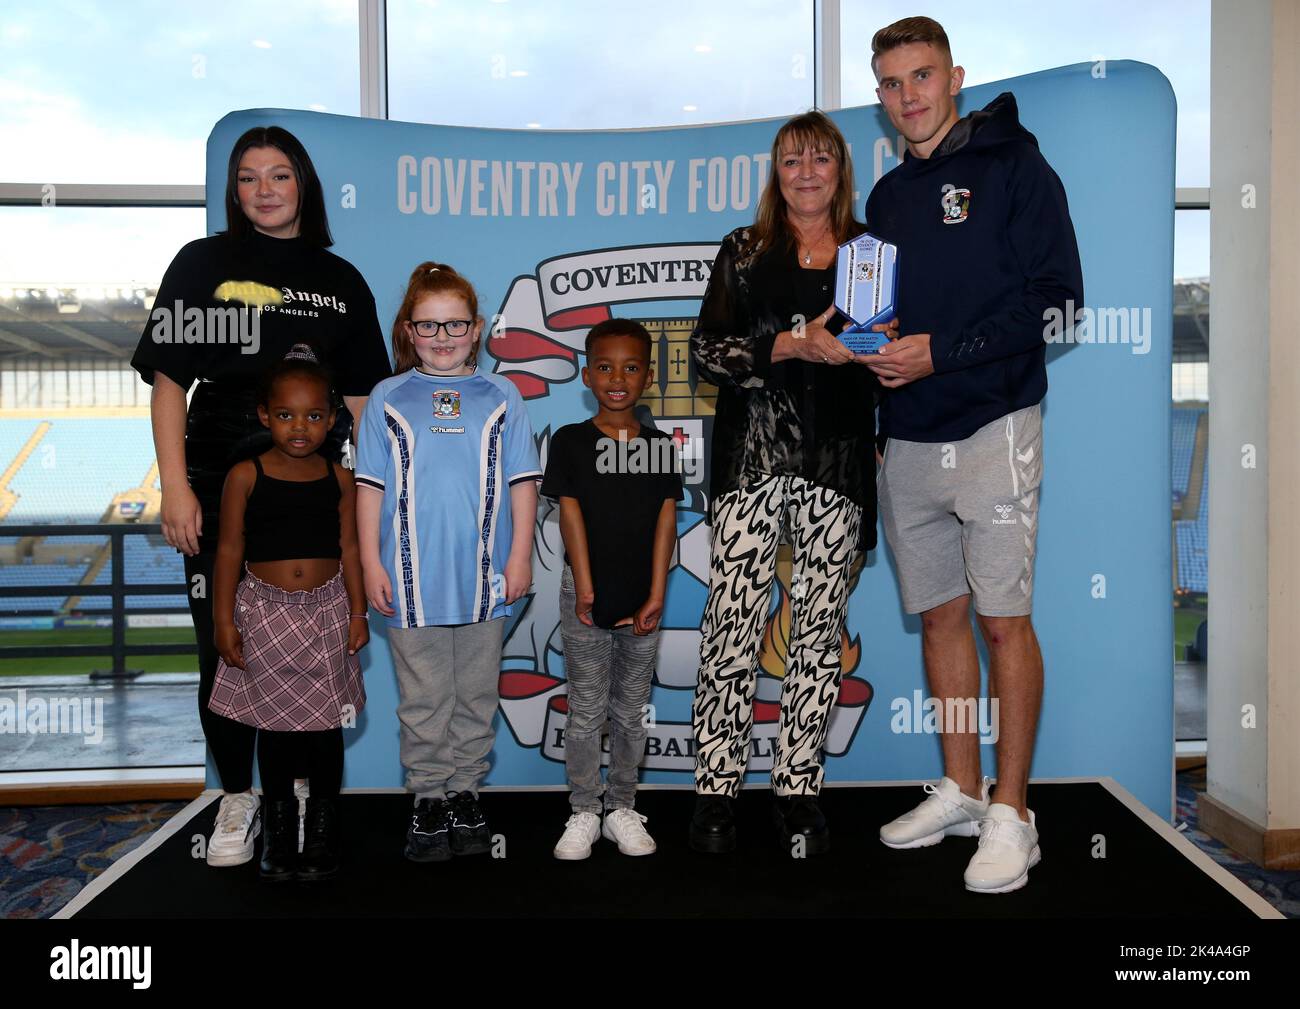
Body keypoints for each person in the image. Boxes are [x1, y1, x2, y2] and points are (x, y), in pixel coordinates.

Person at [130, 126, 392, 868]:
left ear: (302, 184)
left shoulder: (339, 278)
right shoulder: (201, 263)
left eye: (279, 175)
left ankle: (296, 793)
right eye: (248, 177)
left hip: (313, 479)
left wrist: (365, 498)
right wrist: (176, 485)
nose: (265, 190)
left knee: (311, 640)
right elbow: (169, 382)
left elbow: (363, 398)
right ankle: (237, 796)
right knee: (226, 642)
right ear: (234, 190)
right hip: (216, 466)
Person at [863, 16, 1083, 893]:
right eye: (890, 84)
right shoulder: (884, 198)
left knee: (1002, 620)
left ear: (955, 77)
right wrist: (865, 356)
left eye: (921, 77)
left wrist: (941, 351)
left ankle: (1013, 811)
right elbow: (878, 320)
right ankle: (959, 785)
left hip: (995, 425)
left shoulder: (1017, 169)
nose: (908, 96)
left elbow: (1060, 301)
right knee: (944, 617)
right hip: (907, 435)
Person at [689, 111, 880, 856]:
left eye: (820, 159)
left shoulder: (870, 251)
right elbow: (707, 351)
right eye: (791, 160)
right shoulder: (743, 250)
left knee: (817, 637)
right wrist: (788, 344)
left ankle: (798, 788)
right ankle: (715, 793)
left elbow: (880, 352)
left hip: (837, 464)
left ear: (840, 169)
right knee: (731, 627)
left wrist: (876, 356)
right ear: (776, 172)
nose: (805, 173)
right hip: (751, 461)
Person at [354, 262, 541, 863]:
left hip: (484, 581)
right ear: (408, 330)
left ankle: (465, 791)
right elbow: (369, 488)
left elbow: (521, 484)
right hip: (410, 583)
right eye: (428, 325)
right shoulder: (388, 397)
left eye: (454, 324)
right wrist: (370, 564)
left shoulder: (501, 395)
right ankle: (428, 797)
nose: (442, 336)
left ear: (478, 327)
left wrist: (519, 558)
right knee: (424, 697)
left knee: (476, 694)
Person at [208, 346, 367, 881]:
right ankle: (279, 830)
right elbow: (228, 550)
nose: (300, 427)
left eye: (315, 416)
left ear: (331, 419)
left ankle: (322, 828)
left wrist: (359, 613)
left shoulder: (339, 479)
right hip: (263, 616)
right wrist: (223, 621)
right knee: (273, 733)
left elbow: (349, 549)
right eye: (285, 415)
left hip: (327, 614)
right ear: (263, 415)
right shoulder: (244, 475)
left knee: (326, 730)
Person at [541, 319, 682, 860]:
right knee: (585, 709)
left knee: (629, 711)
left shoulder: (661, 446)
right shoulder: (571, 442)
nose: (616, 378)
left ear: (648, 376)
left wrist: (656, 593)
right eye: (604, 366)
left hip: (644, 600)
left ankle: (621, 804)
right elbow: (570, 516)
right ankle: (583, 808)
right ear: (587, 373)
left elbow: (665, 521)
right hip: (587, 598)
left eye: (629, 367)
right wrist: (584, 590)